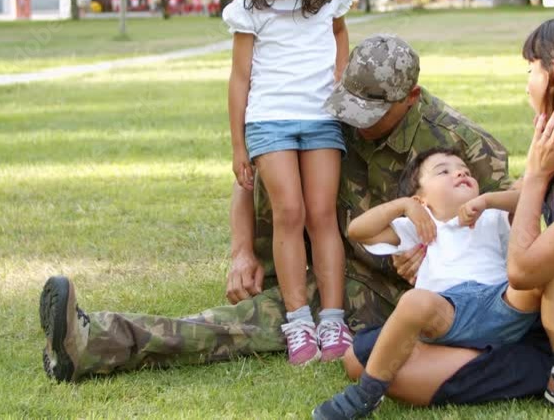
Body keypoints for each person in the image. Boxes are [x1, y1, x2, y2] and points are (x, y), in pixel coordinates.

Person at [38, 34, 512, 382]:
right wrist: (241, 251)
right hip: (316, 259)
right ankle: (97, 338)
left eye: (372, 114)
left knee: (243, 327)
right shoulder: (333, 108)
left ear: (411, 98)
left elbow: (513, 241)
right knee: (280, 166)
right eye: (350, 105)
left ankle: (93, 341)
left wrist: (433, 258)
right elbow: (254, 173)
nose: (356, 123)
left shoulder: (464, 146)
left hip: (391, 294)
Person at [342, 12, 554, 415]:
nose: (527, 83)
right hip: (532, 317)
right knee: (358, 357)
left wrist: (537, 176)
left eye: (531, 70)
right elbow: (506, 203)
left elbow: (525, 270)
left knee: (393, 373)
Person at [314, 147, 554, 419]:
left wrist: (488, 200)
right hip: (449, 313)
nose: (459, 173)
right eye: (443, 171)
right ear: (421, 199)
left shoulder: (492, 215)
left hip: (502, 303)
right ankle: (368, 393)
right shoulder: (421, 226)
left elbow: (530, 198)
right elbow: (358, 230)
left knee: (552, 267)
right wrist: (404, 206)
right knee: (414, 302)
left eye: (464, 169)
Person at [222, 0, 357, 365]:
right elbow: (239, 77)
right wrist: (238, 144)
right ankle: (299, 322)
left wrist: (341, 75)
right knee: (289, 212)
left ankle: (333, 319)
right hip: (269, 120)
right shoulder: (250, 8)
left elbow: (339, 34)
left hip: (321, 118)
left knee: (322, 215)